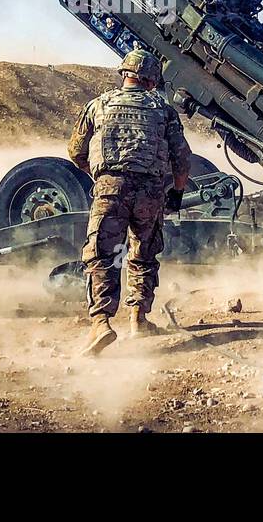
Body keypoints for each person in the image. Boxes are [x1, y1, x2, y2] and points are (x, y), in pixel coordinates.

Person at [67, 48, 190, 356]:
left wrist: (99, 176)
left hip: (110, 188)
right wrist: (175, 192)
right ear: (151, 79)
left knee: (101, 255)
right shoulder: (163, 110)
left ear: (125, 74)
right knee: (143, 254)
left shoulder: (99, 105)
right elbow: (182, 158)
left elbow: (75, 150)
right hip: (150, 191)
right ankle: (138, 318)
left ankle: (101, 324)